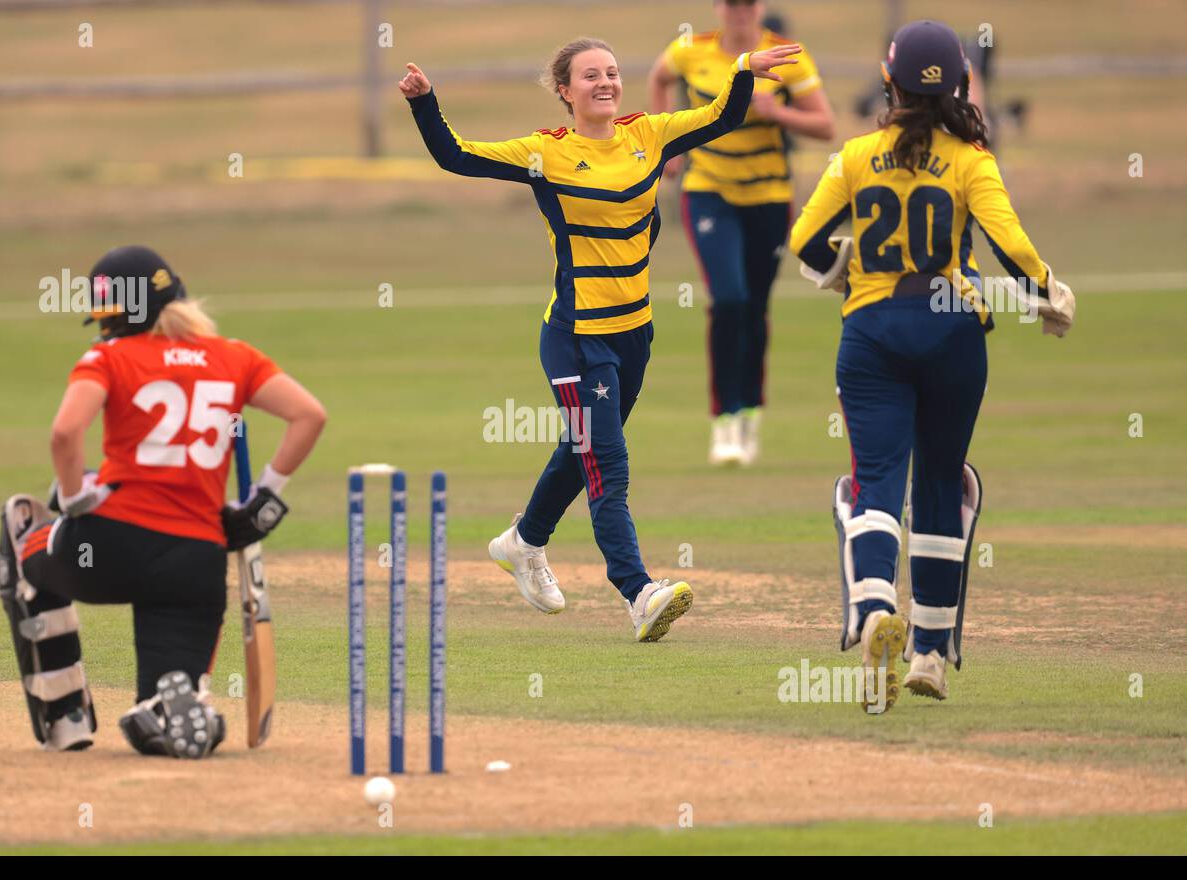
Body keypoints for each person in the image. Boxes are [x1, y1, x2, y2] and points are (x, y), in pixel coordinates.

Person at [400, 37, 800, 641]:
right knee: (607, 463)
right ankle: (638, 592)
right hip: (576, 340)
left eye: (612, 72)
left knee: (581, 450)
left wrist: (743, 69)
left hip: (634, 336)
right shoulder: (543, 153)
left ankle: (523, 542)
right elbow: (458, 156)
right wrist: (426, 103)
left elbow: (722, 115)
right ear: (565, 91)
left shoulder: (650, 135)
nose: (605, 83)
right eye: (590, 76)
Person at [788, 21, 1074, 711]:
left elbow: (803, 241)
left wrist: (840, 272)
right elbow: (1010, 245)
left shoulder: (856, 154)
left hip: (873, 334)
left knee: (877, 481)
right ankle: (927, 656)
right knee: (942, 481)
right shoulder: (972, 157)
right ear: (962, 85)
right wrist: (1049, 294)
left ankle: (875, 606)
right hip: (952, 333)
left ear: (889, 83)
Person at [0, 246, 326, 755]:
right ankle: (177, 709)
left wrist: (73, 496)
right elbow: (310, 415)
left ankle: (67, 718)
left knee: (22, 524)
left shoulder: (108, 357)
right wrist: (264, 502)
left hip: (109, 548)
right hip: (195, 559)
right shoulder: (236, 356)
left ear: (114, 316)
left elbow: (65, 433)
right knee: (167, 714)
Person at [648, 0, 834, 466]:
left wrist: (778, 113)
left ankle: (750, 410)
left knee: (754, 306)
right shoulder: (692, 50)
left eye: (747, 4)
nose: (739, 12)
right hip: (708, 191)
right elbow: (659, 77)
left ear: (760, 7)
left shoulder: (788, 55)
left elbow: (825, 125)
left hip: (769, 197)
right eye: (731, 4)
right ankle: (724, 420)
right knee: (727, 298)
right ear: (718, 8)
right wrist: (663, 144)